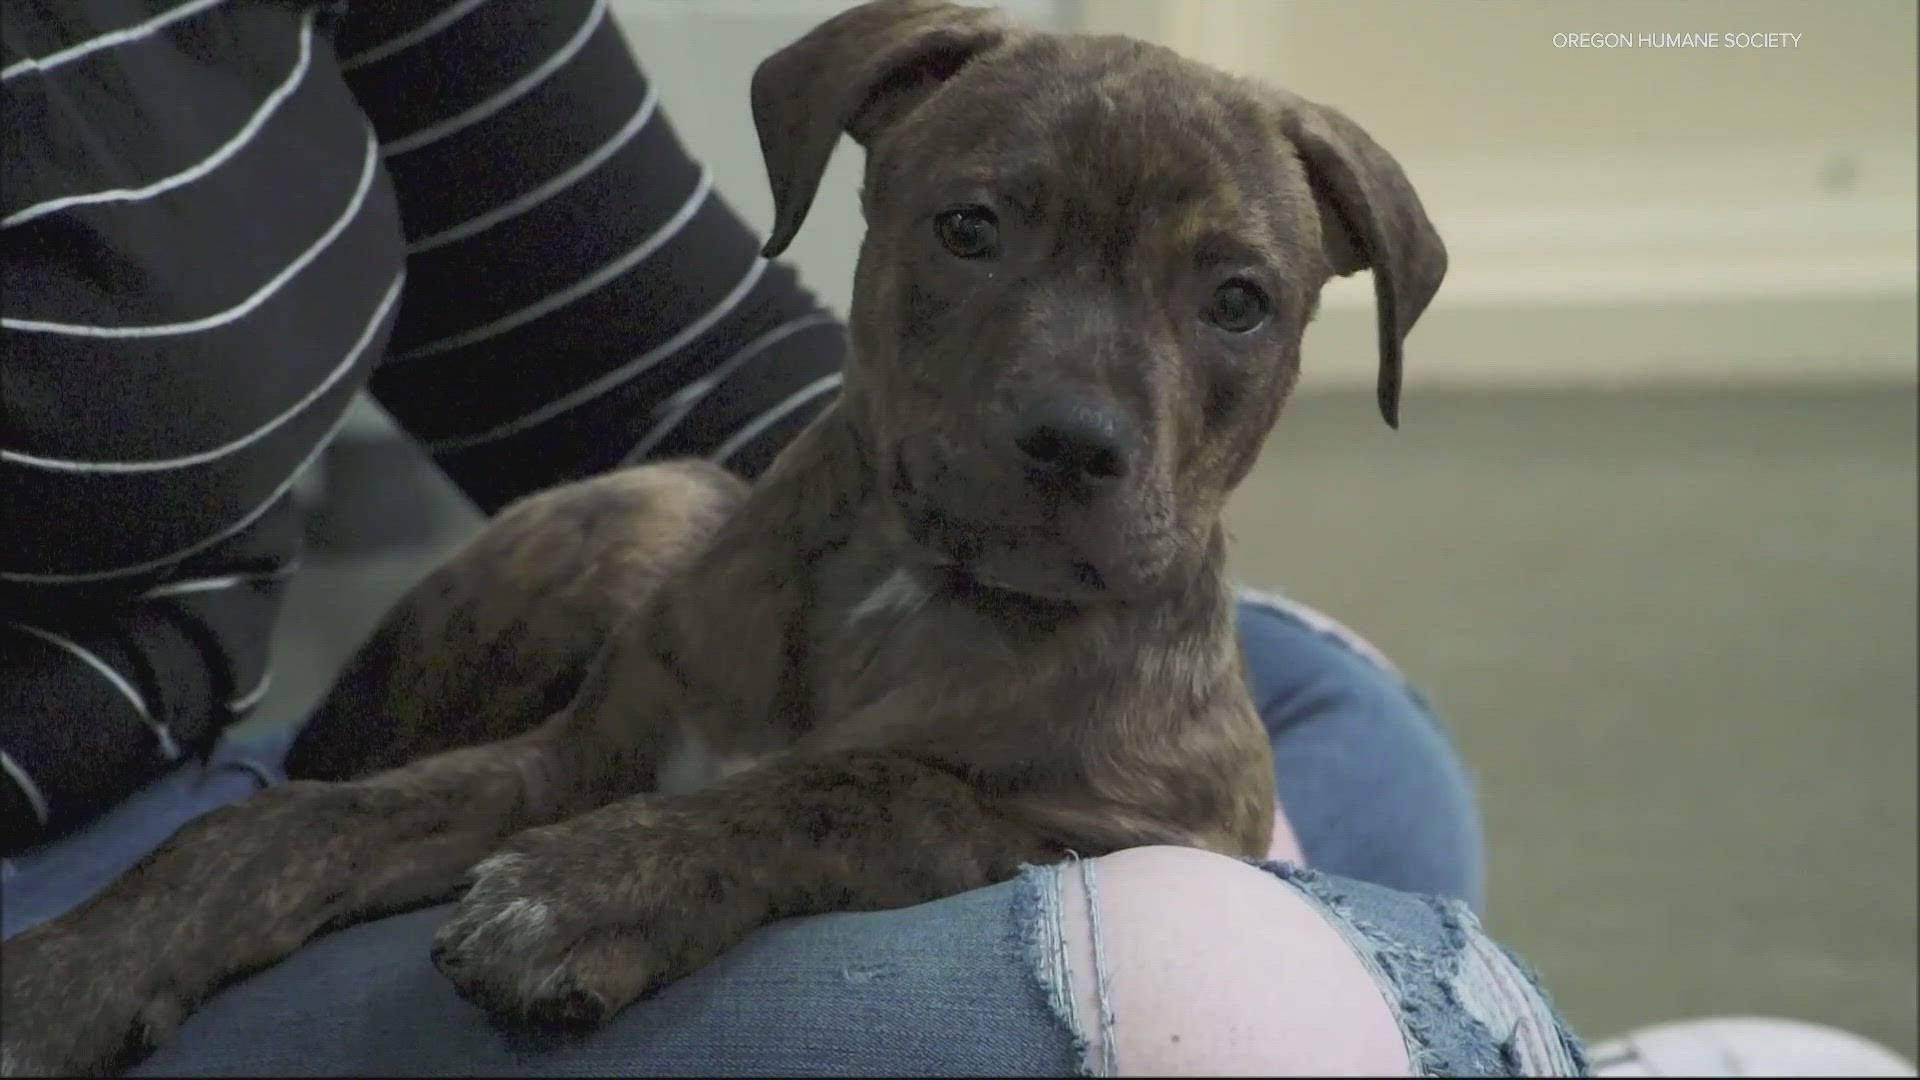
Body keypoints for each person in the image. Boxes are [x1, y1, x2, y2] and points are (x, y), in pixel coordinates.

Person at [0, 0, 1597, 1074]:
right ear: (869, 162)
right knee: (1217, 986)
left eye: (1227, 301)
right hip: (55, 834)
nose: (1083, 408)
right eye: (978, 234)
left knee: (1348, 718)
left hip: (248, 745)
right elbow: (575, 769)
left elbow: (659, 346)